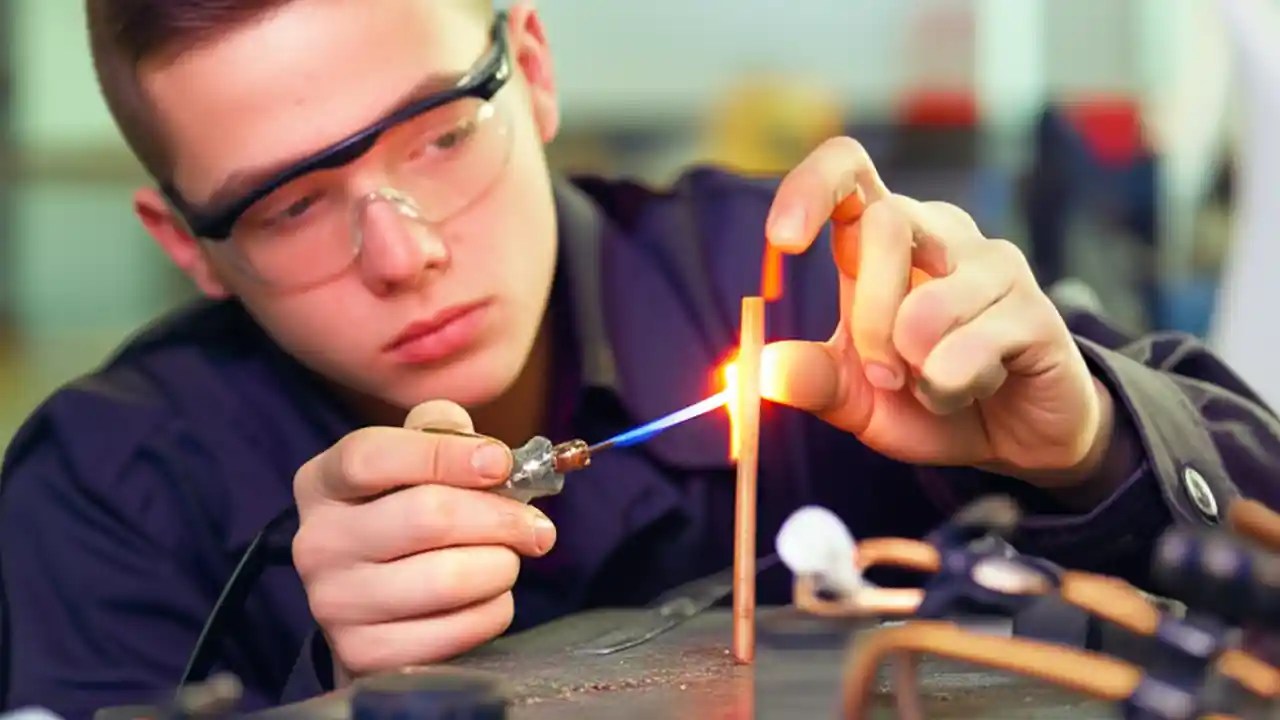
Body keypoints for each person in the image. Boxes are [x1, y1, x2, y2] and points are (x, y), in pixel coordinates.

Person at [1, 0, 1277, 717]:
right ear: (189, 243)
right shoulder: (109, 488)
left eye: (439, 136)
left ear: (533, 72)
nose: (402, 256)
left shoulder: (801, 276)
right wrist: (326, 690)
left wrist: (1087, 447)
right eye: (286, 206)